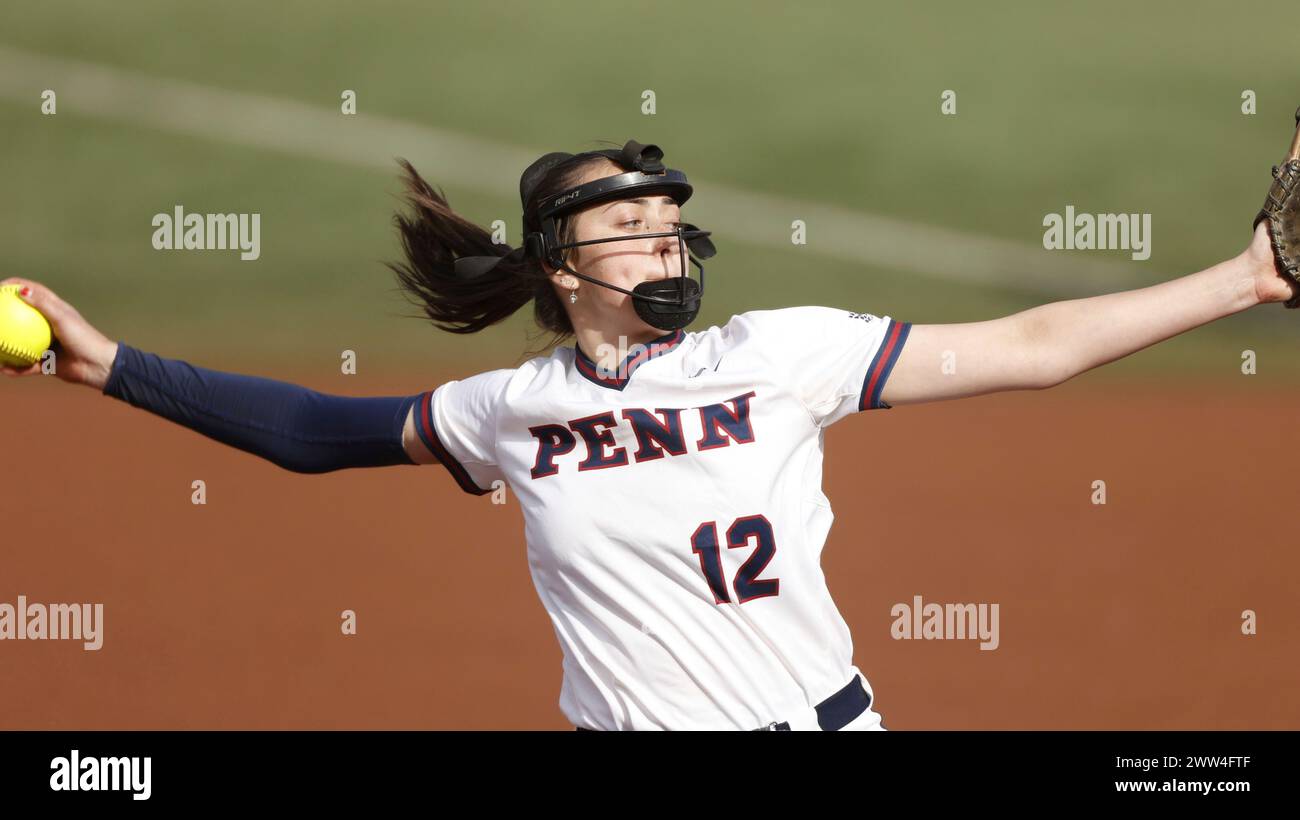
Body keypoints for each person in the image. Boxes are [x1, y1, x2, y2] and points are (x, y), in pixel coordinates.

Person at [4, 139, 1295, 731]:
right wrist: (114, 366)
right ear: (563, 266)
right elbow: (314, 430)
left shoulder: (780, 353)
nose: (664, 243)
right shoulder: (512, 410)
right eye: (633, 227)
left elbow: (1035, 345)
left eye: (673, 226)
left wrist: (1246, 281)